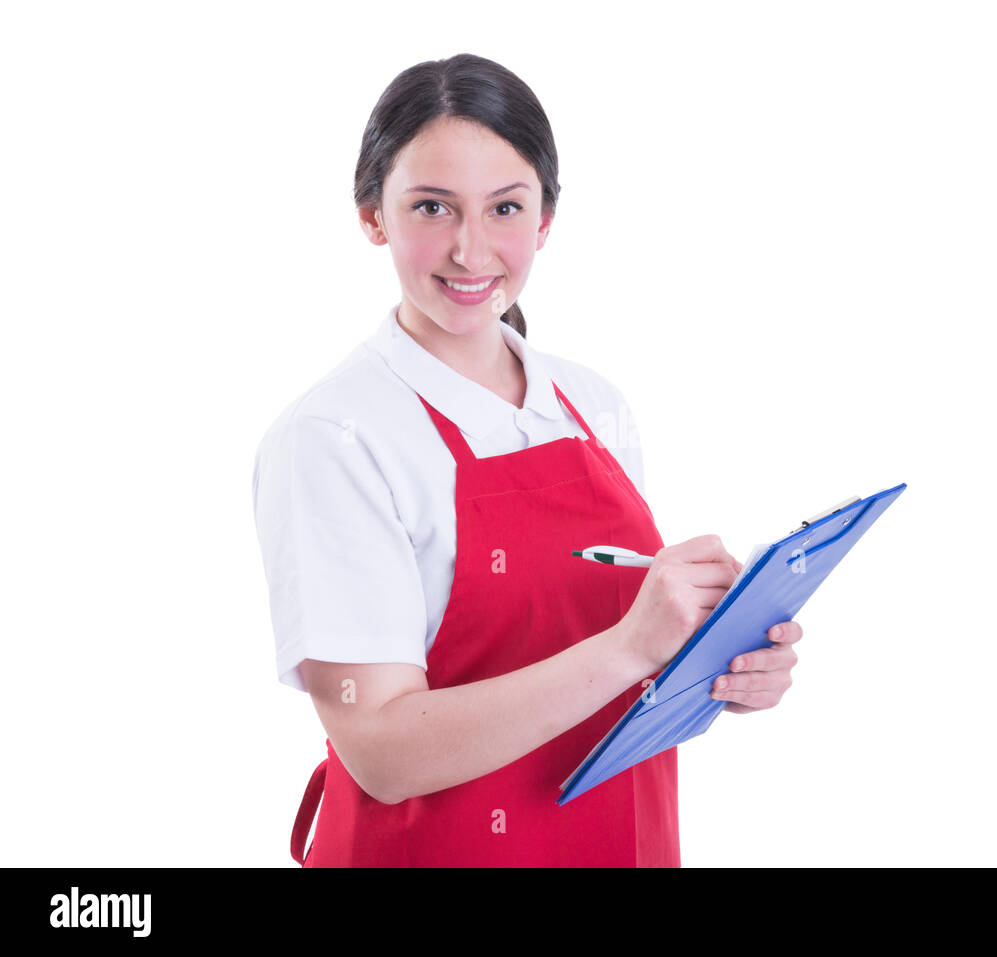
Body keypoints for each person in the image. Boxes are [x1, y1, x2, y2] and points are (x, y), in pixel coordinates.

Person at [251, 54, 803, 868]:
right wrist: (631, 646)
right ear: (373, 215)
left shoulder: (592, 402)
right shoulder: (336, 435)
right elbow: (382, 749)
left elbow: (604, 662)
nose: (473, 251)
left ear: (545, 219)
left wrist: (715, 668)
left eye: (505, 207)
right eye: (432, 207)